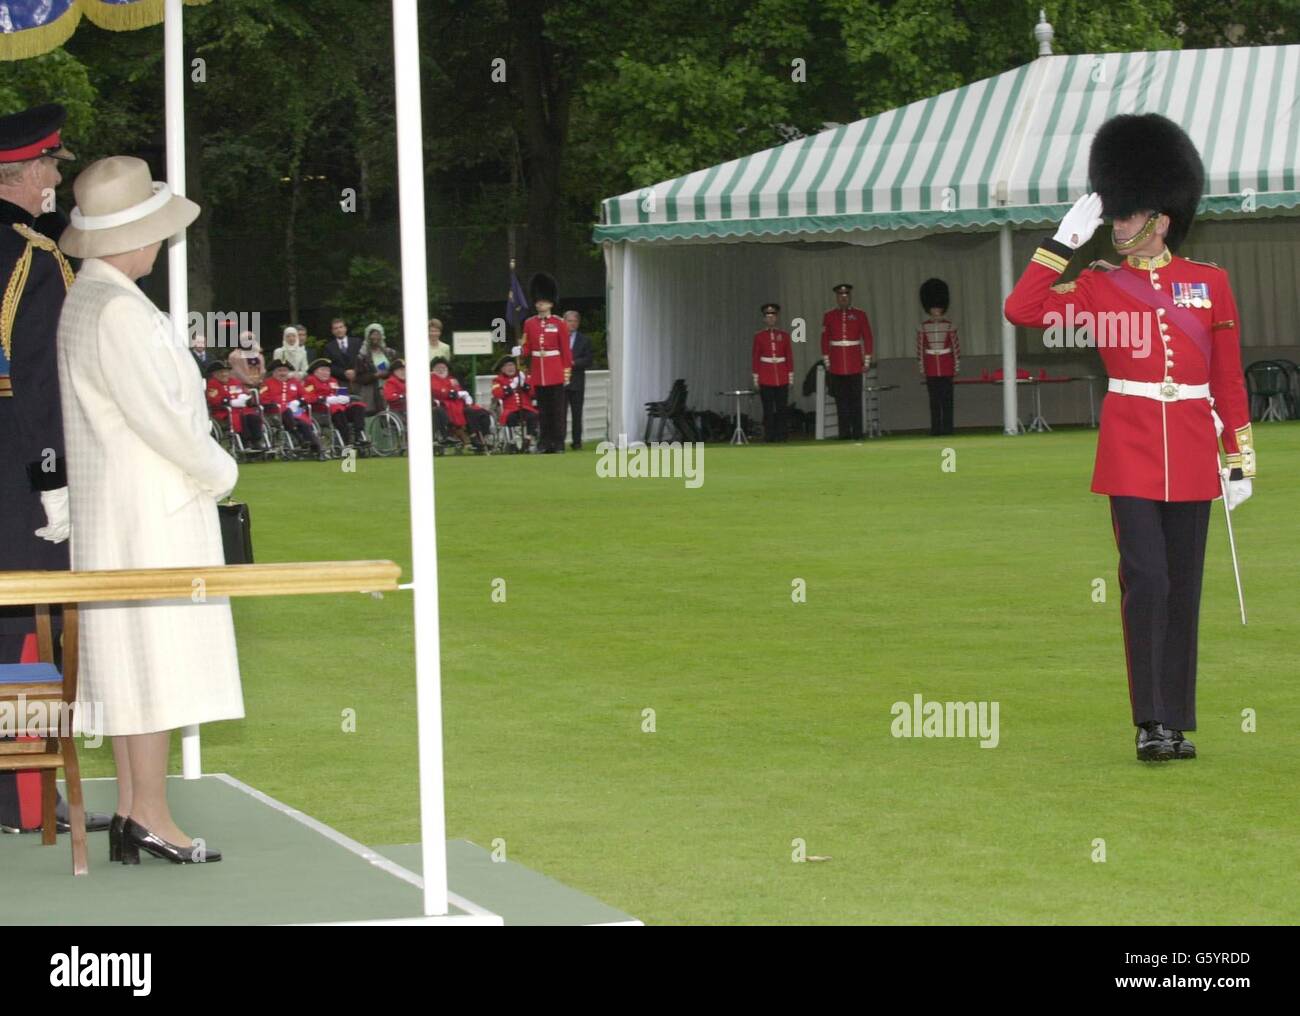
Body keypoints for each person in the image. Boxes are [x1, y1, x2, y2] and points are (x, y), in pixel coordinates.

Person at [1004, 113, 1254, 763]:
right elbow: (1021, 310)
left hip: (1193, 451)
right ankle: (1149, 721)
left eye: (1129, 214)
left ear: (1161, 219)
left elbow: (1227, 379)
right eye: (1114, 213)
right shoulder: (1097, 285)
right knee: (1146, 580)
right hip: (1130, 451)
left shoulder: (1210, 284)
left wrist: (1239, 458)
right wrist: (1061, 243)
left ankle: (1176, 721)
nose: (1116, 224)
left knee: (1183, 589)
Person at [58, 155, 242, 863]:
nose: (162, 243)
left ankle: (139, 810)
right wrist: (221, 469)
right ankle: (151, 814)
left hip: (123, 509)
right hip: (151, 510)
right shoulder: (117, 310)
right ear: (131, 236)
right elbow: (160, 420)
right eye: (156, 231)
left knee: (135, 662)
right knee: (157, 661)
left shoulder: (95, 297)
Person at [0, 102, 112, 835]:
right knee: (25, 631)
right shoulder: (34, 259)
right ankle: (22, 798)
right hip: (13, 477)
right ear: (17, 172)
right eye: (48, 164)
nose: (54, 178)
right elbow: (39, 385)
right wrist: (53, 483)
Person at [519, 273, 571, 453]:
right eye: (538, 301)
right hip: (538, 372)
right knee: (542, 410)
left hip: (555, 372)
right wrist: (520, 351)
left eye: (543, 301)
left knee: (557, 410)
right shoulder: (529, 323)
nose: (539, 304)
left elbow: (565, 351)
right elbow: (527, 348)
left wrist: (566, 373)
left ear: (550, 303)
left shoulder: (559, 323)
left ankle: (558, 442)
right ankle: (544, 442)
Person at [820, 283, 874, 439]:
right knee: (841, 401)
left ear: (850, 297)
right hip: (837, 364)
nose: (843, 298)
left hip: (854, 363)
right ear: (837, 298)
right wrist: (827, 361)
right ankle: (844, 433)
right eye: (840, 295)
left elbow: (867, 337)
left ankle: (857, 432)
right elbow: (824, 339)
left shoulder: (860, 314)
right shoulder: (829, 315)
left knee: (856, 400)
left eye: (846, 295)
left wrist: (866, 360)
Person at [916, 278, 959, 436]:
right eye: (933, 308)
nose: (935, 311)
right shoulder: (923, 327)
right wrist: (922, 367)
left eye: (938, 308)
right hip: (931, 366)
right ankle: (936, 429)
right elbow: (920, 348)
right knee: (934, 401)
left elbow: (955, 347)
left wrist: (956, 366)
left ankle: (948, 428)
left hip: (946, 365)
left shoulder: (949, 326)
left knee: (947, 400)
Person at [259, 358, 322, 457]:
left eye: (285, 370)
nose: (282, 373)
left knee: (304, 424)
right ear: (274, 372)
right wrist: (279, 406)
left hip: (295, 412)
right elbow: (263, 399)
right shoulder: (267, 383)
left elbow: (308, 395)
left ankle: (315, 447)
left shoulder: (295, 382)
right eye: (279, 370)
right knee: (288, 413)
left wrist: (299, 401)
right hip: (275, 413)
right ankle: (299, 438)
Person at [303, 356, 369, 447]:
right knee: (336, 408)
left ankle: (359, 435)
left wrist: (344, 397)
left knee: (358, 406)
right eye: (323, 370)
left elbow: (340, 392)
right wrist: (325, 399)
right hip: (321, 411)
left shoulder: (333, 380)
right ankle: (346, 439)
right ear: (315, 371)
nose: (326, 373)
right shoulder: (310, 380)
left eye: (328, 370)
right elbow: (308, 396)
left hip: (339, 410)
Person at [751, 302, 794, 443]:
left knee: (782, 408)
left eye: (773, 315)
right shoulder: (759, 336)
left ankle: (782, 435)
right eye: (767, 315)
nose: (770, 318)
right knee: (768, 409)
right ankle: (769, 435)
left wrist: (790, 376)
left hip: (781, 376)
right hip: (766, 376)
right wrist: (756, 378)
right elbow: (756, 357)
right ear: (764, 318)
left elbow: (789, 356)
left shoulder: (784, 335)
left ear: (776, 317)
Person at [430, 356, 489, 452]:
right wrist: (455, 393)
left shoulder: (452, 379)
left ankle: (474, 436)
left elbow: (457, 390)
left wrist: (462, 395)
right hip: (442, 405)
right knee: (440, 411)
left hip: (457, 405)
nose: (441, 370)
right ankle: (448, 435)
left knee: (473, 412)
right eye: (438, 368)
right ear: (433, 369)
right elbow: (438, 392)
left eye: (443, 368)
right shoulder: (431, 379)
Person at [204, 359, 265, 446]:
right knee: (241, 418)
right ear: (214, 374)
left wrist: (247, 398)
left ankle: (257, 441)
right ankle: (245, 442)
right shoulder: (212, 384)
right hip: (224, 412)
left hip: (241, 410)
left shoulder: (235, 382)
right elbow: (213, 400)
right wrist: (231, 402)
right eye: (221, 372)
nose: (224, 374)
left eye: (226, 371)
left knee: (254, 417)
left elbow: (243, 393)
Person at [491, 355, 539, 447]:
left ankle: (528, 439)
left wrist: (524, 385)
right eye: (507, 366)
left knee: (533, 416)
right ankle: (511, 442)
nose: (511, 368)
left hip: (525, 407)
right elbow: (497, 394)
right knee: (510, 417)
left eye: (512, 365)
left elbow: (533, 393)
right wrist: (511, 386)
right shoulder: (498, 380)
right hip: (510, 409)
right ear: (502, 369)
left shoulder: (524, 378)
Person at [563, 309, 593, 449]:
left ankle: (577, 442)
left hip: (577, 381)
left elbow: (588, 359)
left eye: (575, 321)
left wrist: (573, 363)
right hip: (560, 381)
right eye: (570, 321)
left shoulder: (584, 340)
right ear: (564, 322)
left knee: (577, 413)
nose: (572, 324)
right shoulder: (557, 338)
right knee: (560, 413)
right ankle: (559, 441)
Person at [353, 322, 396, 412]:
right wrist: (375, 375)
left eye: (378, 334)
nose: (375, 337)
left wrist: (387, 373)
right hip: (370, 393)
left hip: (388, 389)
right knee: (372, 415)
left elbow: (396, 370)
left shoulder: (389, 353)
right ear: (368, 336)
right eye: (373, 334)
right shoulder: (362, 356)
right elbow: (359, 378)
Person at [323, 317, 359, 385]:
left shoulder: (357, 342)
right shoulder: (328, 347)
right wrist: (344, 373)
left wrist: (355, 371)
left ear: (345, 328)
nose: (339, 330)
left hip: (358, 380)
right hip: (339, 382)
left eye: (341, 327)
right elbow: (328, 365)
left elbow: (363, 360)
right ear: (332, 331)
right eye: (336, 328)